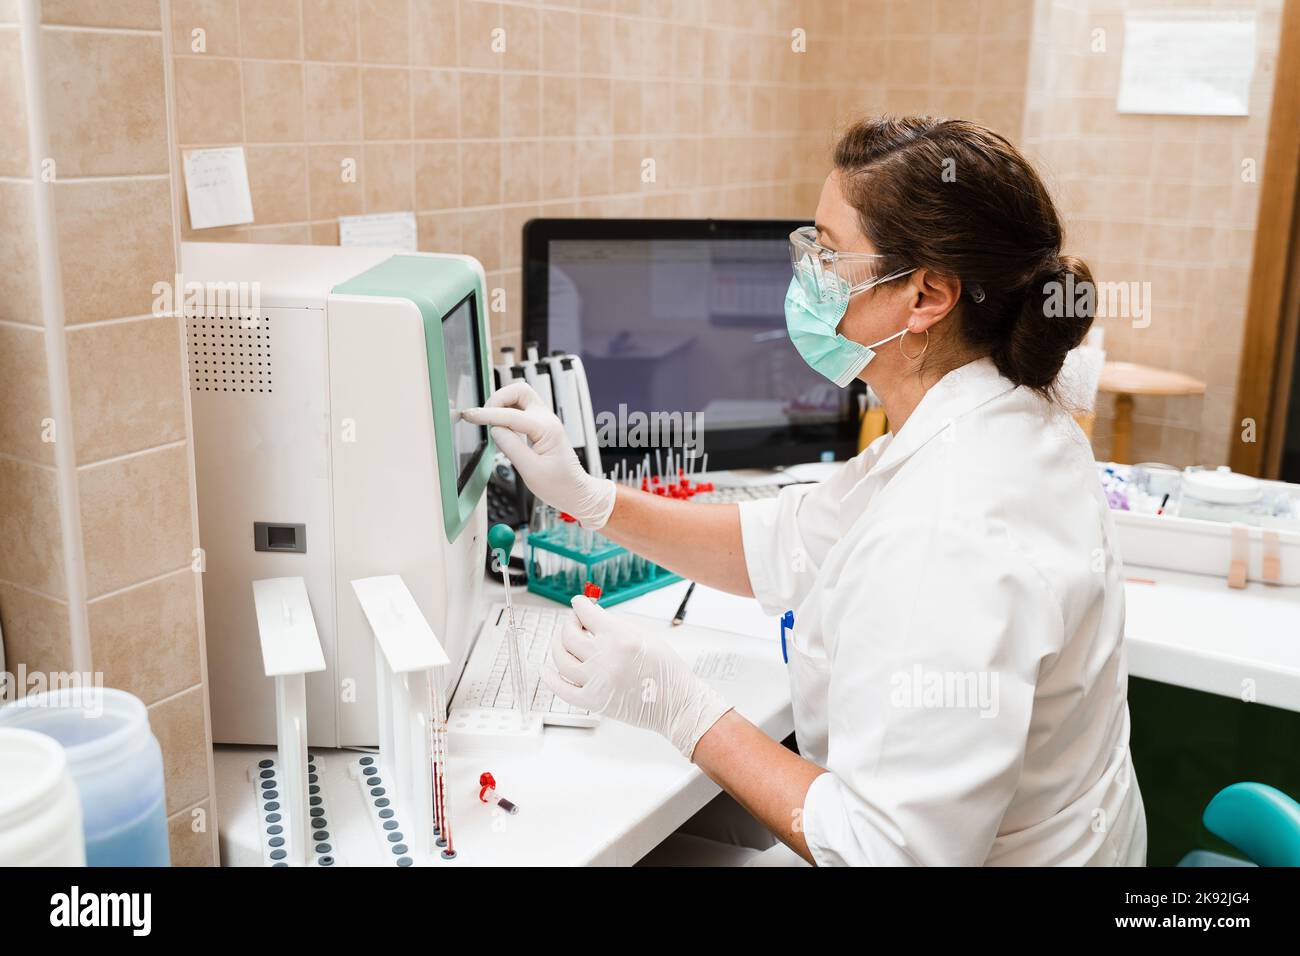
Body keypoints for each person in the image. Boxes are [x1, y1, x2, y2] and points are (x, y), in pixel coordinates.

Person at [463, 116, 1146, 867]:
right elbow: (784, 544)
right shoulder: (993, 415)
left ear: (925, 297)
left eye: (828, 251)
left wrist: (681, 707)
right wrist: (590, 499)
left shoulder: (949, 528)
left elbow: (884, 853)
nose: (805, 274)